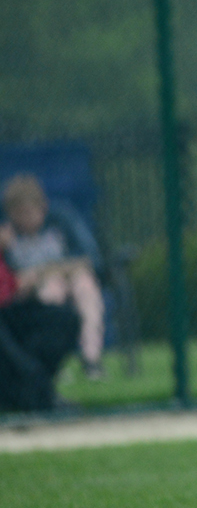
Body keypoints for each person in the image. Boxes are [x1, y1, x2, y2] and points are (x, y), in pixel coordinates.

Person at [0, 172, 107, 379]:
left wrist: (46, 271)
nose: (25, 220)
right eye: (19, 215)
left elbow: (89, 260)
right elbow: (11, 280)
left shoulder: (62, 220)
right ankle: (55, 362)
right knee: (51, 290)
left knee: (86, 288)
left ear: (43, 207)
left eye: (29, 213)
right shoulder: (8, 235)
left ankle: (91, 359)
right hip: (35, 293)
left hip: (73, 278)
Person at [0, 252, 83, 412]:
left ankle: (31, 393)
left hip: (9, 305)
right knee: (20, 359)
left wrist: (20, 282)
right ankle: (35, 392)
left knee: (65, 319)